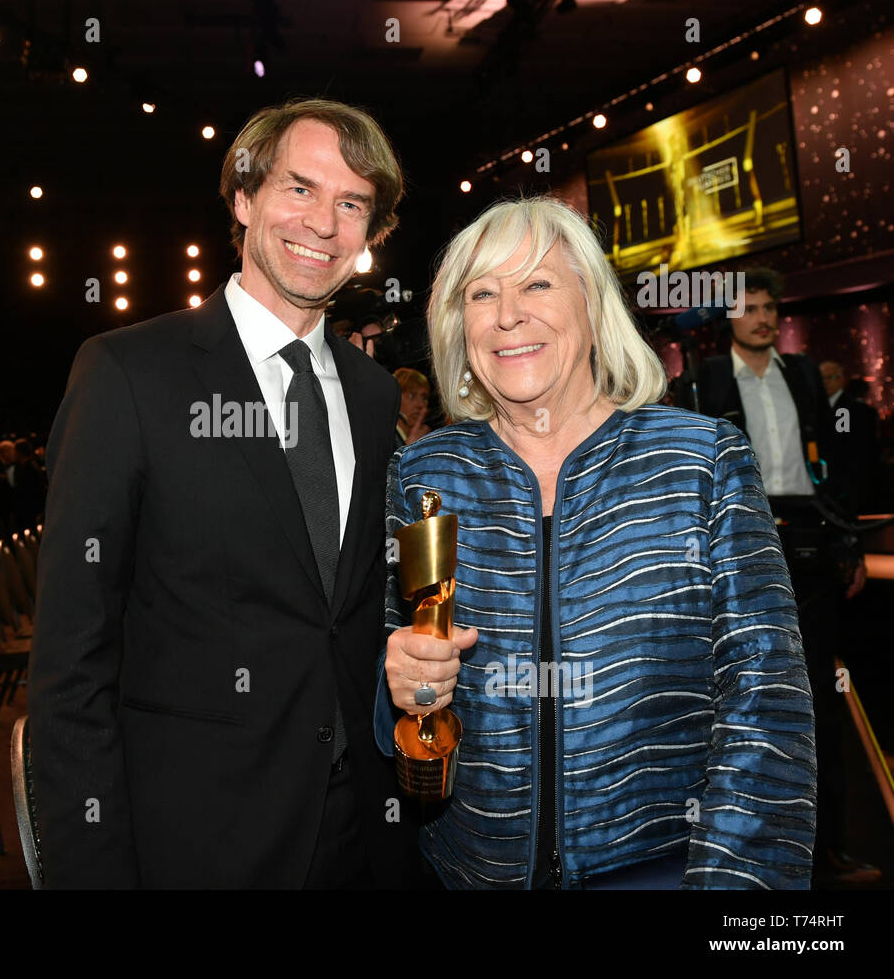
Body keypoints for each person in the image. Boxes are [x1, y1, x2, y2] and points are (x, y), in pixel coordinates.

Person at [29, 97, 420, 888]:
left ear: (370, 236)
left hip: (362, 836)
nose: (323, 223)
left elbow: (348, 615)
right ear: (244, 199)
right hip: (196, 842)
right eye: (300, 189)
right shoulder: (128, 375)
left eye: (352, 204)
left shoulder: (375, 397)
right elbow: (71, 665)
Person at [377, 196, 816, 889]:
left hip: (661, 873)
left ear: (593, 307)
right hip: (467, 871)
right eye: (481, 293)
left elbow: (765, 700)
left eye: (537, 284)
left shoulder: (698, 463)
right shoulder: (427, 474)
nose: (506, 314)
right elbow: (396, 657)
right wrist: (399, 689)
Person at [692, 270, 875, 885]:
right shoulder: (706, 379)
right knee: (739, 702)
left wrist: (845, 541)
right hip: (740, 543)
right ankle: (741, 859)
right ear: (728, 318)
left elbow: (835, 463)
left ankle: (830, 852)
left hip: (810, 540)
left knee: (820, 701)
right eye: (751, 308)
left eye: (772, 307)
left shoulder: (804, 374)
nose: (764, 317)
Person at [818, 360, 881, 514]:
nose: (825, 382)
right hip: (832, 483)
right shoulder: (822, 407)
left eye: (829, 377)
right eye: (821, 378)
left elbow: (842, 444)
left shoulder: (846, 409)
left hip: (846, 485)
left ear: (840, 379)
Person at [393, 367, 431, 446]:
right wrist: (412, 446)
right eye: (411, 395)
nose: (420, 404)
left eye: (424, 398)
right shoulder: (381, 435)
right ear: (394, 397)